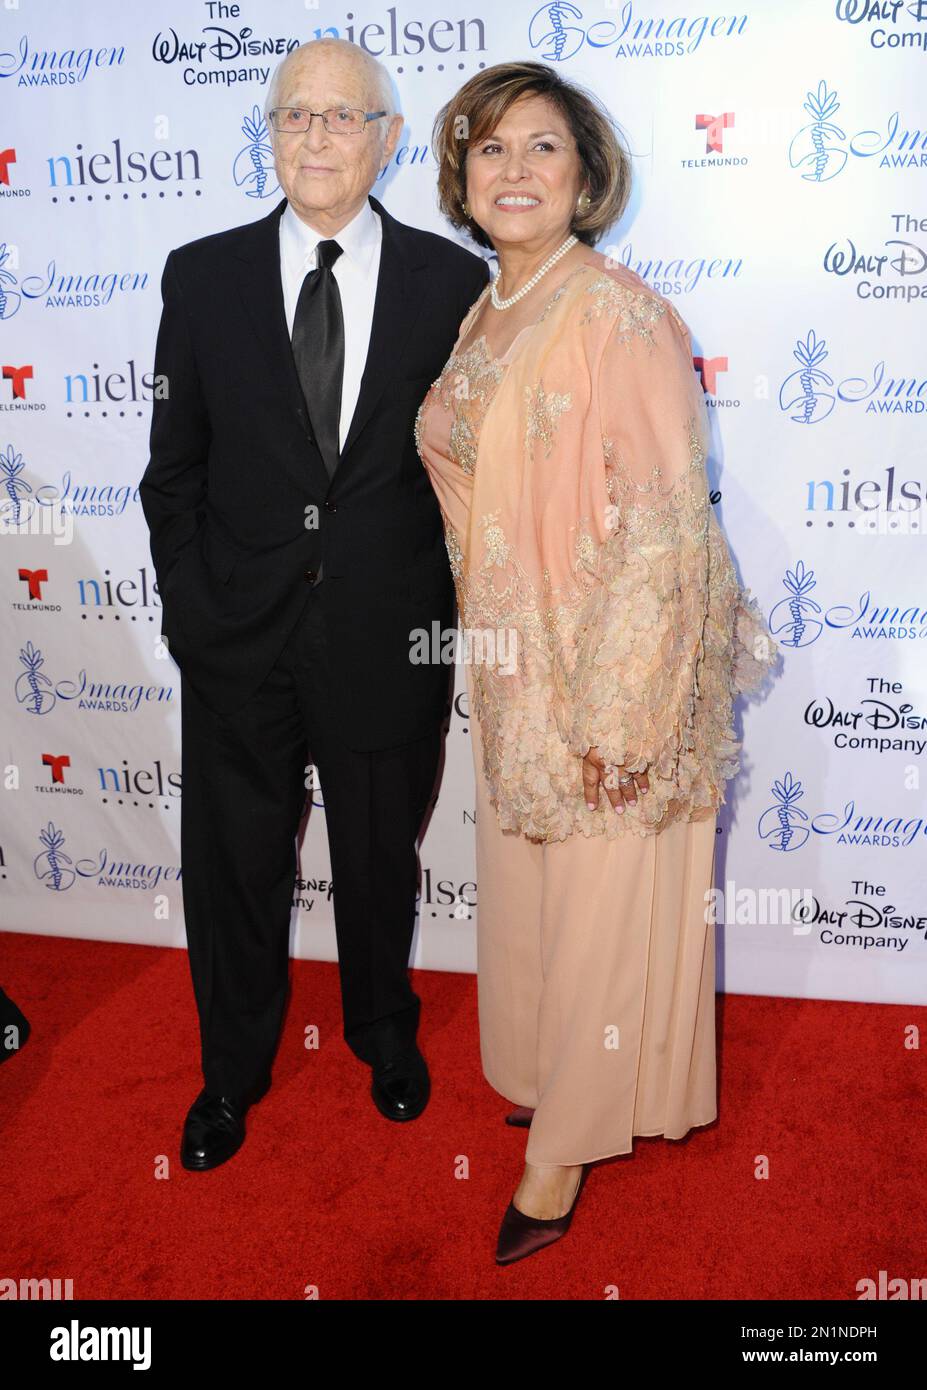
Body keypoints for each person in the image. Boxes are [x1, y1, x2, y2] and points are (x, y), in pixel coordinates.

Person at [417, 62, 779, 1264]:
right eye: (490, 148)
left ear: (586, 181)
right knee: (540, 905)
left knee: (599, 912)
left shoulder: (619, 315)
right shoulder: (489, 309)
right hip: (514, 664)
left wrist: (624, 717)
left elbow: (670, 529)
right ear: (462, 177)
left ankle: (561, 1154)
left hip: (608, 671)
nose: (513, 169)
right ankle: (553, 1077)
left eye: (543, 148)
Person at [140, 37, 488, 1171]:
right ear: (270, 135)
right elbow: (172, 472)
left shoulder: (453, 286)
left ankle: (384, 1032)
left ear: (387, 139)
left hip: (387, 635)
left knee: (381, 858)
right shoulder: (201, 277)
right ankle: (229, 1072)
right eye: (295, 115)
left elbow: (471, 476)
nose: (317, 137)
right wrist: (192, 610)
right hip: (236, 639)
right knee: (233, 868)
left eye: (344, 117)